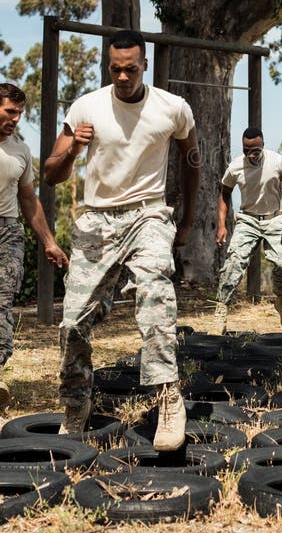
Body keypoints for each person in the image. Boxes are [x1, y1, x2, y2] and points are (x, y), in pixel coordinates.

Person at [44, 30, 199, 451]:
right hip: (97, 219)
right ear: (107, 66)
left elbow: (192, 162)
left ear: (144, 64)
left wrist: (184, 219)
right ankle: (76, 403)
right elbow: (51, 173)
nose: (124, 75)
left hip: (149, 212)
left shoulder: (173, 108)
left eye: (131, 68)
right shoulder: (85, 107)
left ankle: (168, 397)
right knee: (73, 322)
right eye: (116, 69)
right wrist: (73, 149)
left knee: (154, 293)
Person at [0, 83, 68, 412]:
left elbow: (28, 200)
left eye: (19, 114)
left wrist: (50, 242)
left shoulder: (20, 151)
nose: (15, 119)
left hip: (8, 232)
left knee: (1, 300)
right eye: (9, 112)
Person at [212, 128, 282, 334]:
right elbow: (224, 194)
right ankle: (220, 310)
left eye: (256, 150)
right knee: (234, 263)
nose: (251, 154)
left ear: (263, 145)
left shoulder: (278, 162)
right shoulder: (235, 167)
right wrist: (222, 225)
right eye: (246, 150)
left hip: (274, 219)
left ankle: (280, 300)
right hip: (247, 220)